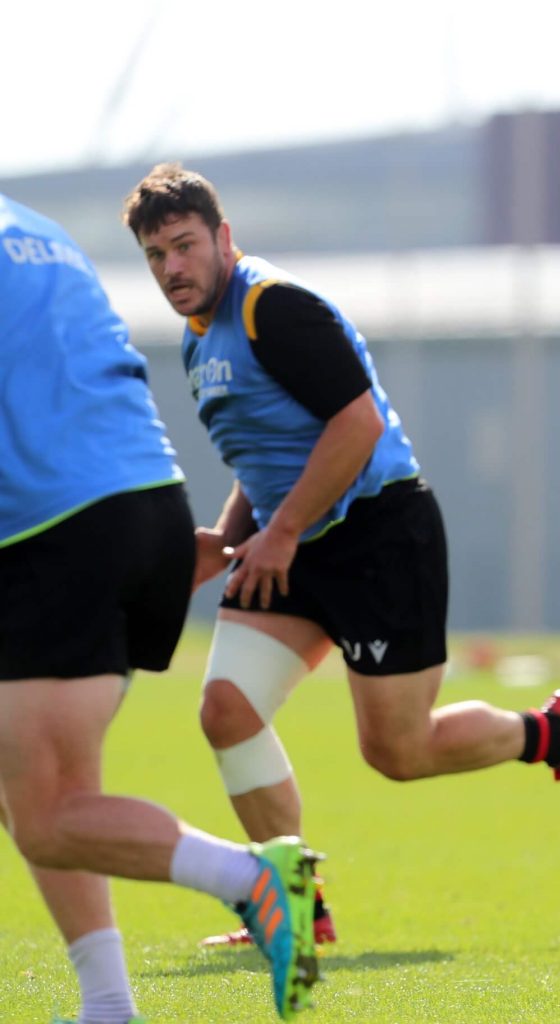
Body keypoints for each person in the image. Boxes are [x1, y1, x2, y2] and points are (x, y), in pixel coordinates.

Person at [122, 164, 560, 948]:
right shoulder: (195, 339)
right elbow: (262, 456)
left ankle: (552, 736)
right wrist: (228, 539)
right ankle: (292, 903)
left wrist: (277, 534)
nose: (172, 269)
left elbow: (358, 427)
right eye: (155, 256)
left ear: (222, 237)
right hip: (289, 544)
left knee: (398, 752)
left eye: (184, 246)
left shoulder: (273, 308)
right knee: (225, 710)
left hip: (379, 534)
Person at [0, 193, 320, 1022]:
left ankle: (254, 882)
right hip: (141, 507)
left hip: (56, 528)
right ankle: (107, 1002)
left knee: (49, 815)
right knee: (35, 792)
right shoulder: (35, 229)